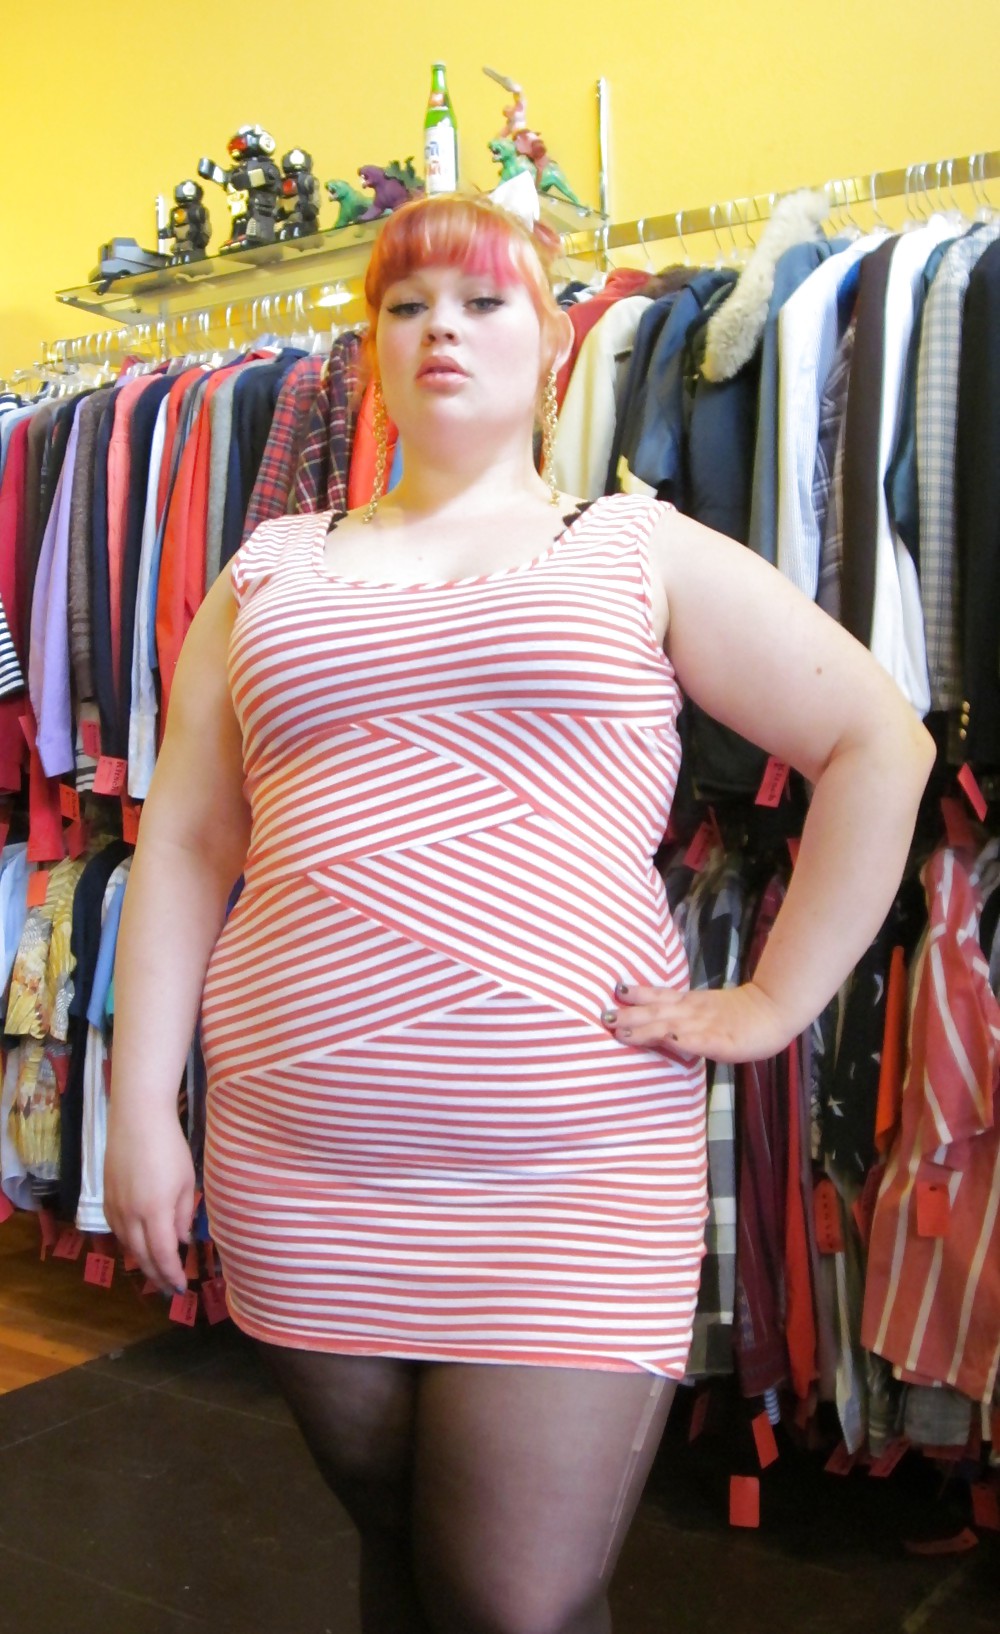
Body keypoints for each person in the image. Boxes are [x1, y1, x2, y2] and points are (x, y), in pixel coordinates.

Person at [104, 192, 934, 1634]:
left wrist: (773, 1000)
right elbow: (181, 843)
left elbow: (880, 741)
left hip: (568, 1175)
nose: (444, 328)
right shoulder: (265, 574)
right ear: (372, 347)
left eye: (484, 301)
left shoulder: (631, 547)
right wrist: (137, 1113)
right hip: (302, 1164)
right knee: (407, 1554)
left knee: (516, 1600)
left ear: (552, 342)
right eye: (408, 305)